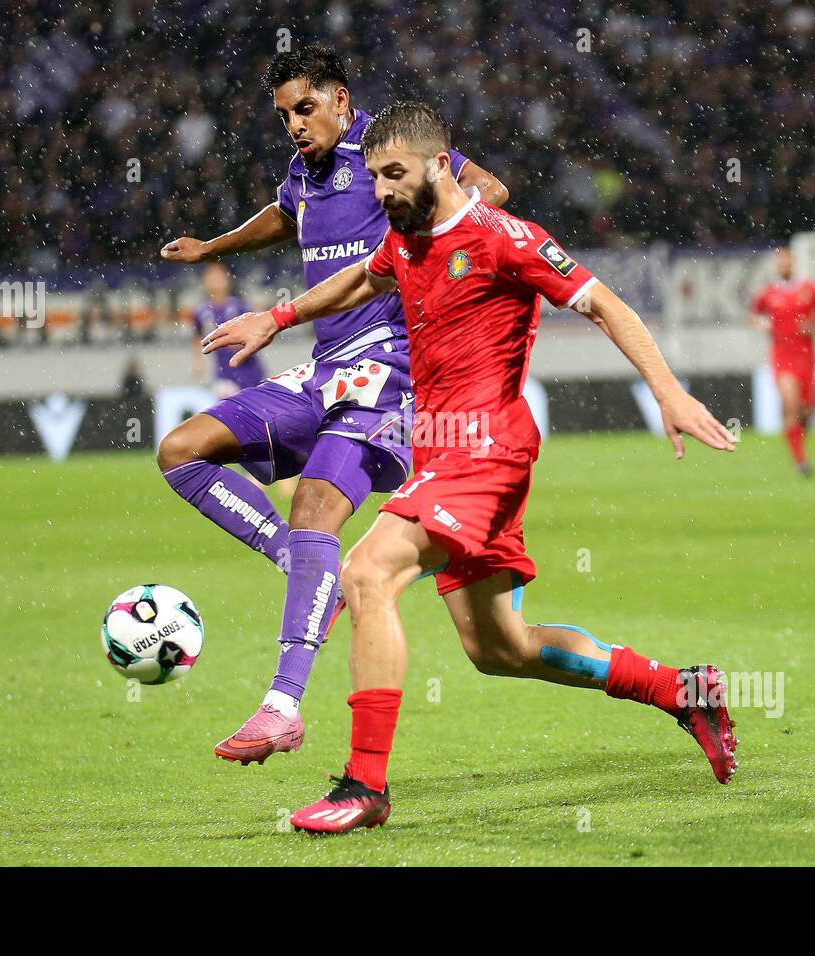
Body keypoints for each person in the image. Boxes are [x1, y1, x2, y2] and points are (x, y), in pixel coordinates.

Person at [204, 102, 738, 835]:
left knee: (366, 574)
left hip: (486, 451)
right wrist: (281, 318)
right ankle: (682, 690)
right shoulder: (405, 238)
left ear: (439, 165)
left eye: (394, 175)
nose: (381, 191)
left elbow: (604, 302)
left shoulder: (500, 237)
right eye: (373, 178)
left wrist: (668, 389)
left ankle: (364, 786)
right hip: (444, 453)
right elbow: (364, 279)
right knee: (499, 648)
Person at [157, 46, 508, 764]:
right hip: (325, 367)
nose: (293, 123)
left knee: (317, 503)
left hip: (393, 369)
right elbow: (283, 218)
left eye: (305, 107)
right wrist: (210, 248)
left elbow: (490, 190)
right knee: (181, 450)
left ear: (342, 100)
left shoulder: (390, 149)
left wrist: (436, 237)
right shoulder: (304, 173)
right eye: (284, 113)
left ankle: (281, 707)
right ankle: (297, 560)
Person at [749, 246, 815, 475]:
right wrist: (763, 325)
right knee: (791, 405)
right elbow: (754, 314)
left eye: (786, 261)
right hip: (783, 357)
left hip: (807, 357)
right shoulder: (768, 292)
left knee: (807, 412)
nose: (783, 265)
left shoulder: (809, 289)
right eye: (779, 261)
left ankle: (799, 445)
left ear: (794, 262)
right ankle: (800, 460)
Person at [191, 262, 264, 399]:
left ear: (227, 279)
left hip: (248, 368)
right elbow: (196, 335)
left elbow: (259, 330)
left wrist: (241, 342)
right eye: (211, 278)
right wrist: (197, 362)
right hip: (223, 372)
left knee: (255, 408)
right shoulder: (202, 311)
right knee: (228, 412)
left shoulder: (240, 305)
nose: (215, 282)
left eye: (219, 277)